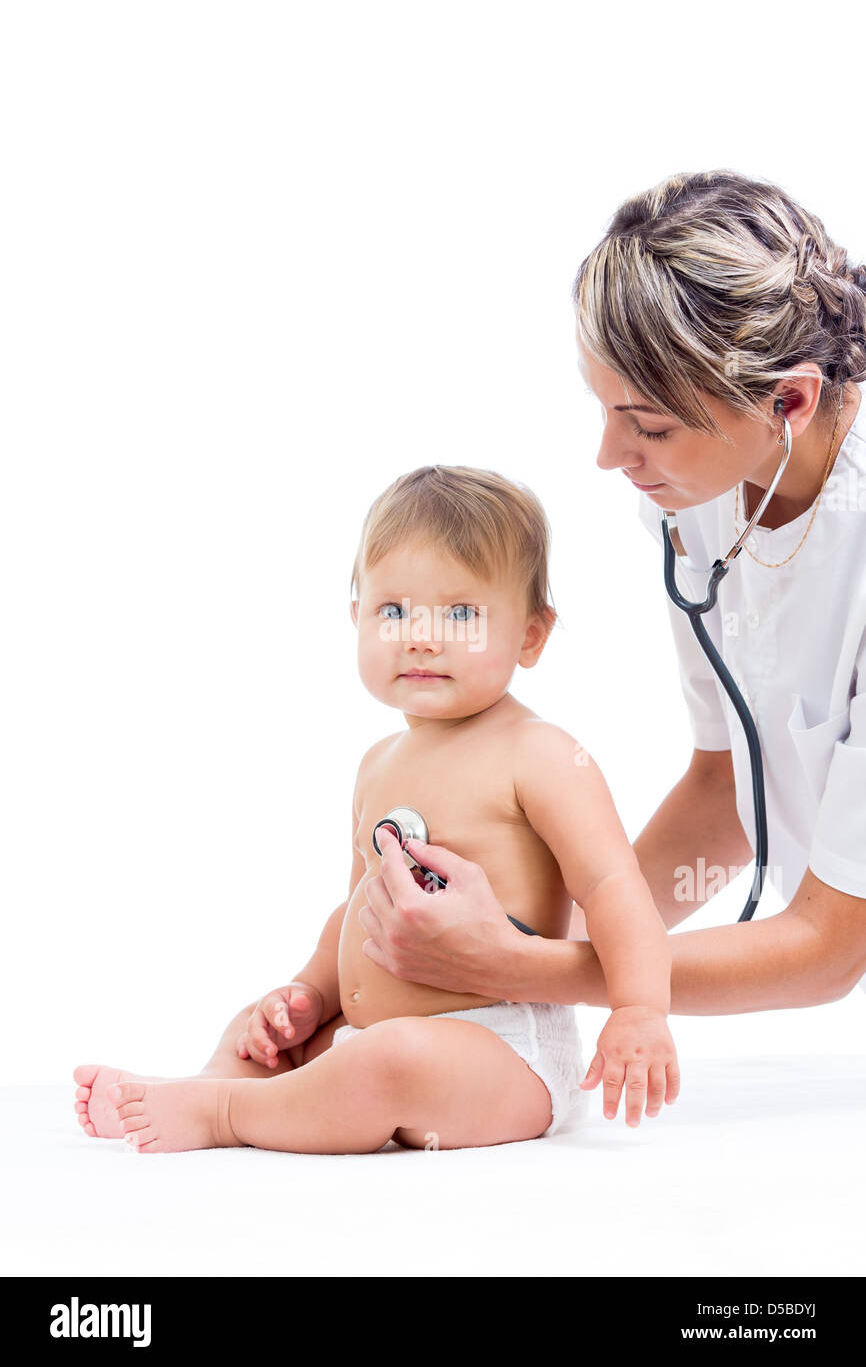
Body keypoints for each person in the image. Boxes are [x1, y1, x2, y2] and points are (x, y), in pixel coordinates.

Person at [356, 169, 866, 1022]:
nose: (609, 455)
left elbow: (832, 946)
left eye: (650, 425)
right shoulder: (702, 486)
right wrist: (509, 933)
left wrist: (525, 966)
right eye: (606, 408)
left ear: (790, 399)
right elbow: (727, 790)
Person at [72, 466, 679, 1153]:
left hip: (503, 1052)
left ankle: (224, 1115)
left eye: (461, 614)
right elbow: (360, 906)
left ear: (531, 636)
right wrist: (307, 995)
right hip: (376, 1040)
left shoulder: (539, 754)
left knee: (387, 1063)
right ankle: (215, 1083)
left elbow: (612, 887)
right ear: (356, 616)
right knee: (260, 1026)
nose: (420, 637)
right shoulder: (378, 764)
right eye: (393, 611)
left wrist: (638, 1010)